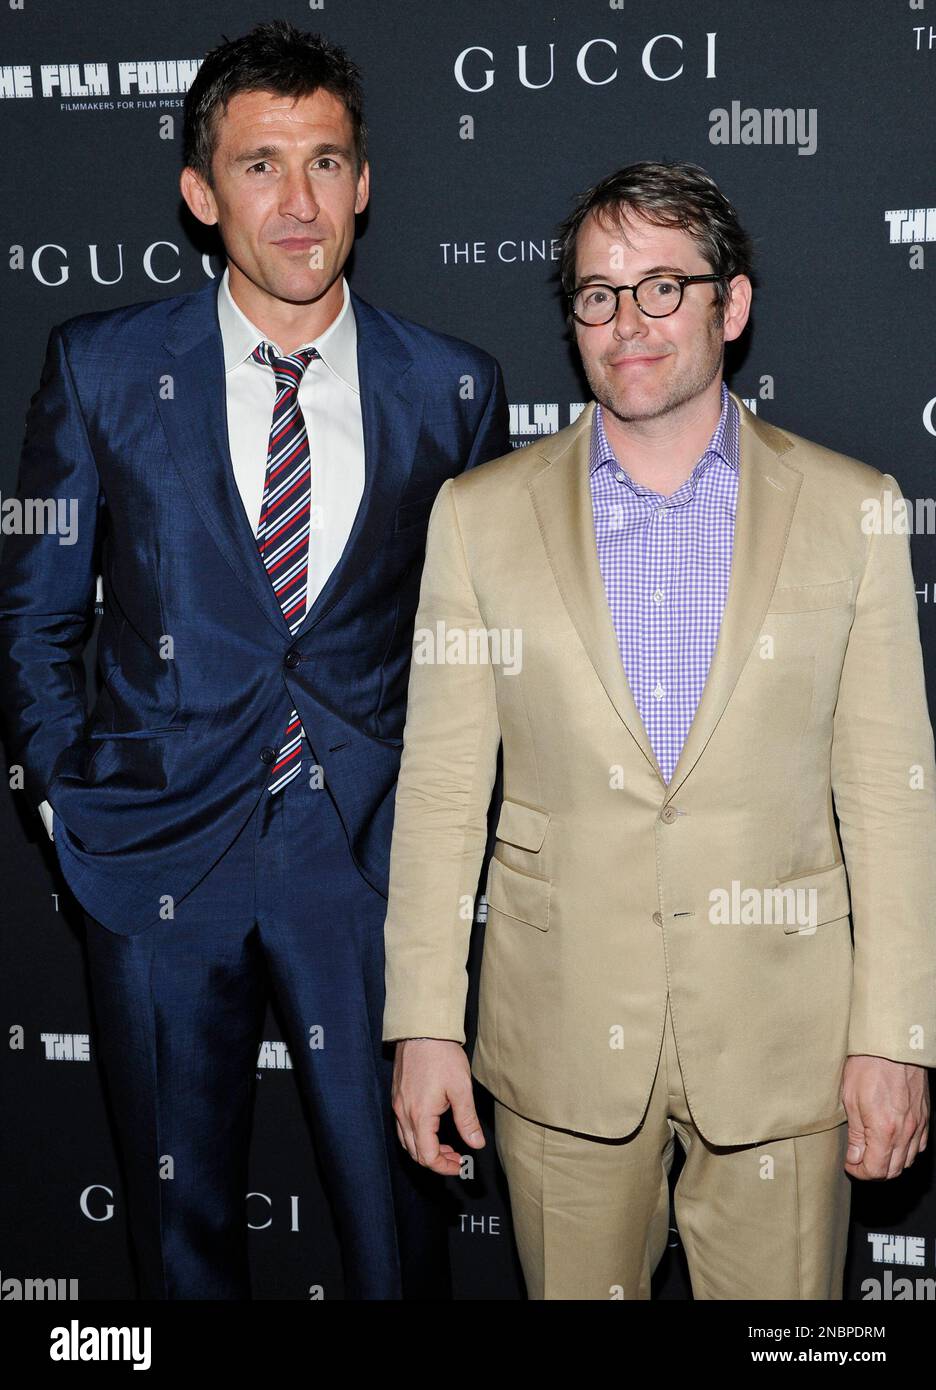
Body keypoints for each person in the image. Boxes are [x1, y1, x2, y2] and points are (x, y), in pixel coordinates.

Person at [0, 19, 509, 1299]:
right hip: (160, 851)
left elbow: (480, 650)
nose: (298, 201)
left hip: (370, 866)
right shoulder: (104, 365)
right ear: (199, 192)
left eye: (327, 162)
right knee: (182, 1249)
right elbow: (38, 612)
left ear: (367, 183)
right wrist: (70, 797)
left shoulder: (449, 387)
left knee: (401, 1248)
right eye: (261, 164)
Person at [381, 160, 936, 1300]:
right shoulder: (479, 517)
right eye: (597, 293)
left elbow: (890, 790)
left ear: (731, 307)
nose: (626, 321)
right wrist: (426, 1023)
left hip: (788, 1049)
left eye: (661, 287)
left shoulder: (853, 508)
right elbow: (440, 789)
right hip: (561, 1045)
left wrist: (897, 1036)